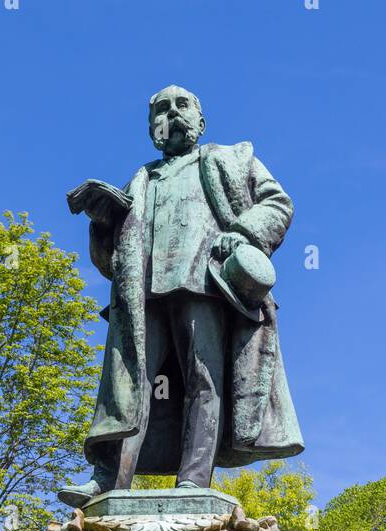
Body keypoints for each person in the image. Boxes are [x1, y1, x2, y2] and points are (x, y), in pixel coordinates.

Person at [58, 85, 302, 507]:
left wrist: (242, 233)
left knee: (202, 380)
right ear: (150, 126)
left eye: (181, 106)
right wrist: (103, 221)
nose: (171, 114)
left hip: (203, 283)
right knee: (129, 383)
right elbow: (110, 259)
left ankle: (193, 478)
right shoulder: (141, 179)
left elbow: (278, 203)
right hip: (143, 292)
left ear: (201, 122)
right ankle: (109, 479)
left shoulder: (230, 158)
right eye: (161, 109)